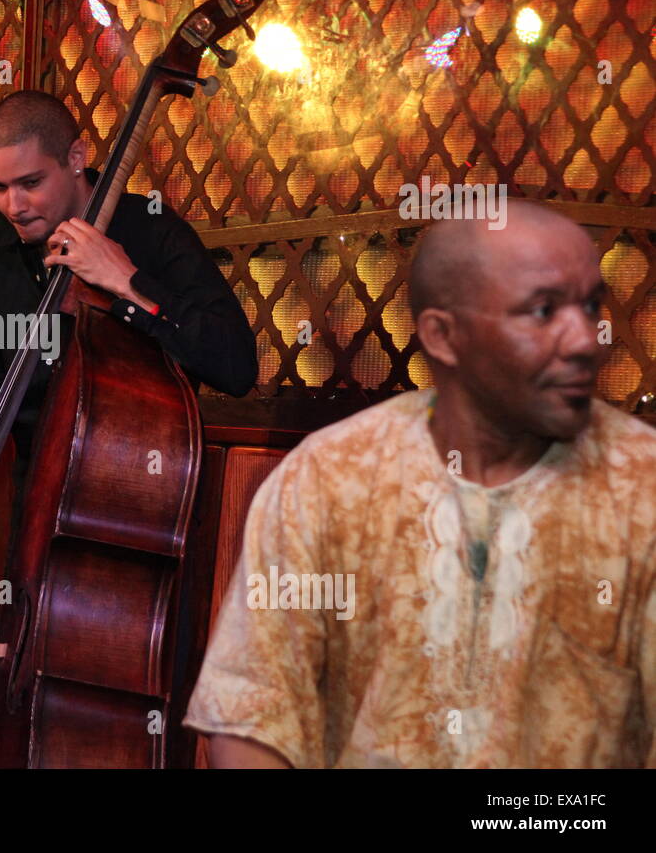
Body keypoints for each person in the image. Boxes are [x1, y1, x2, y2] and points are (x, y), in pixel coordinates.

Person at [185, 201, 656, 768]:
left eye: (589, 305)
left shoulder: (641, 486)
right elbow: (250, 718)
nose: (587, 340)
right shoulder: (329, 477)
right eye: (543, 310)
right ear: (443, 336)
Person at [0, 90, 257, 507]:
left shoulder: (152, 230)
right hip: (36, 502)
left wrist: (127, 284)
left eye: (31, 183)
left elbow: (236, 366)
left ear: (75, 157)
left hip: (139, 499)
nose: (14, 206)